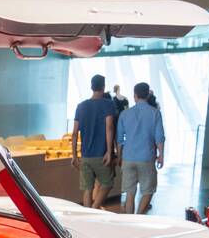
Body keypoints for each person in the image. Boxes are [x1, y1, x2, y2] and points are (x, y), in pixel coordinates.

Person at [115, 82, 165, 215]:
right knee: (148, 191)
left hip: (128, 158)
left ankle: (130, 221)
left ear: (135, 95)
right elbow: (159, 137)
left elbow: (119, 139)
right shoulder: (155, 113)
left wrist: (119, 157)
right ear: (148, 95)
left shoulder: (125, 114)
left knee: (130, 193)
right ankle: (139, 216)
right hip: (146, 158)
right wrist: (161, 155)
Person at [70, 74, 118, 208]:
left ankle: (88, 214)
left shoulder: (81, 106)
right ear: (103, 87)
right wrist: (109, 151)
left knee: (87, 188)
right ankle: (95, 207)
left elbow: (74, 133)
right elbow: (109, 127)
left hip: (85, 155)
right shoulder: (108, 104)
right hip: (100, 154)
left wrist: (74, 155)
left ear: (91, 87)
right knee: (107, 183)